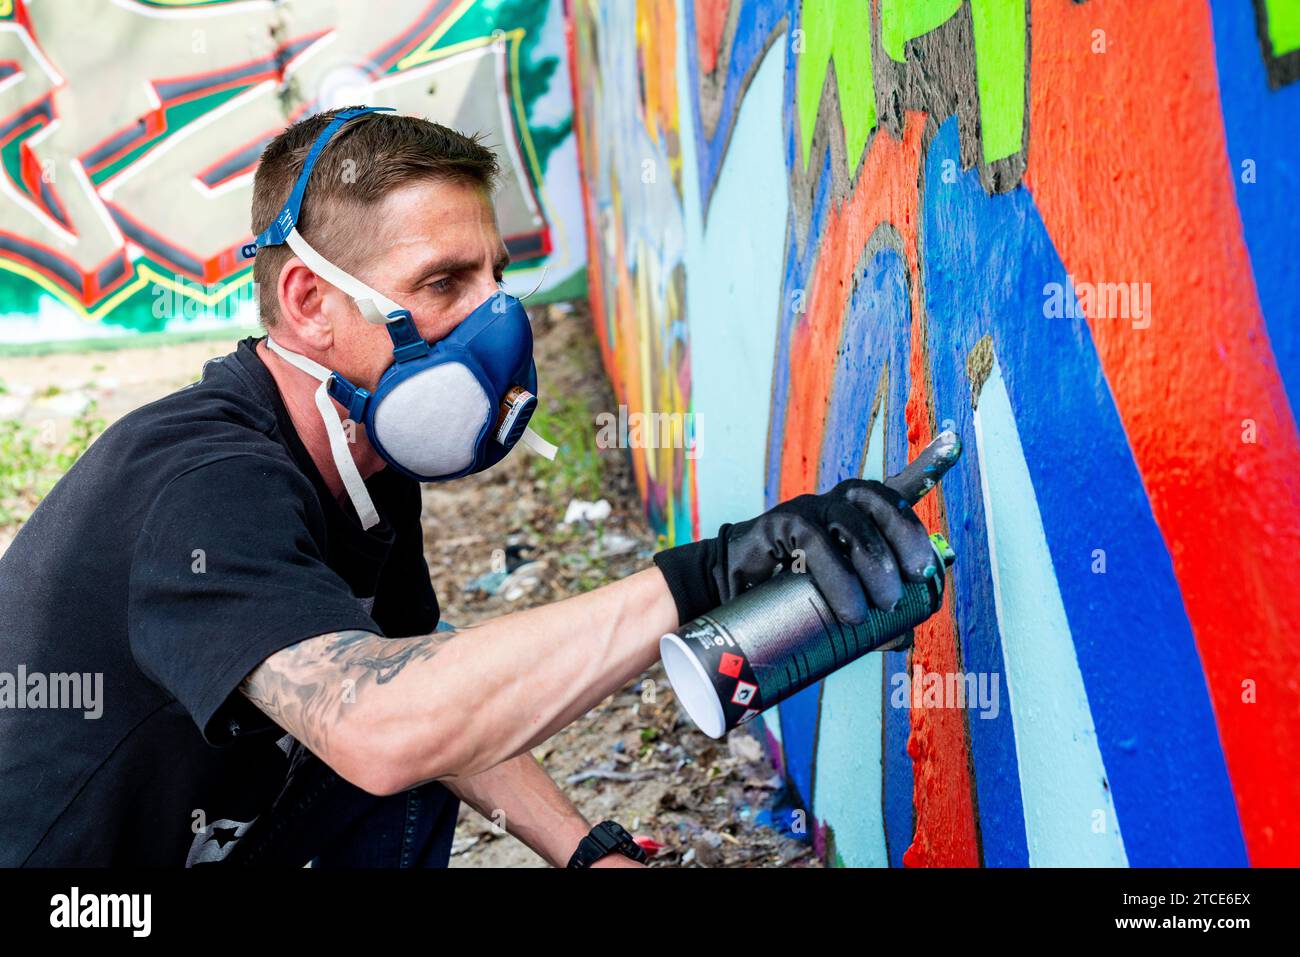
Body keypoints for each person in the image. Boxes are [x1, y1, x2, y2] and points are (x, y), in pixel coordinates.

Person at [0, 107, 939, 868]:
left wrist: (592, 855)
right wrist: (698, 579)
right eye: (443, 281)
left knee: (422, 729)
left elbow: (428, 681)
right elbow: (379, 727)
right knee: (394, 752)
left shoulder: (361, 458)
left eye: (495, 276)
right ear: (310, 303)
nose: (493, 319)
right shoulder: (201, 484)